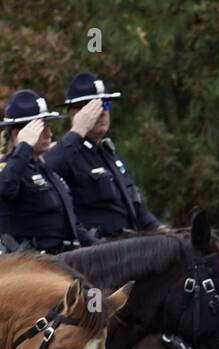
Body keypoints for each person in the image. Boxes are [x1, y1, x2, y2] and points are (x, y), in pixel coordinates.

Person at [43, 71, 163, 238]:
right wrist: (78, 130)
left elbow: (136, 206)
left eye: (105, 105)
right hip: (97, 255)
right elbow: (45, 169)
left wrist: (163, 231)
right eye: (93, 108)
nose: (102, 112)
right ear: (74, 114)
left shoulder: (108, 152)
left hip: (129, 249)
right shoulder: (67, 154)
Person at [0, 88, 94, 254]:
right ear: (18, 133)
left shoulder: (44, 169)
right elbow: (5, 188)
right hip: (29, 267)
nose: (49, 133)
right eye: (41, 128)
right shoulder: (5, 168)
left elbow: (71, 223)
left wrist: (98, 248)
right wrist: (24, 147)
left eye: (48, 126)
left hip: (61, 259)